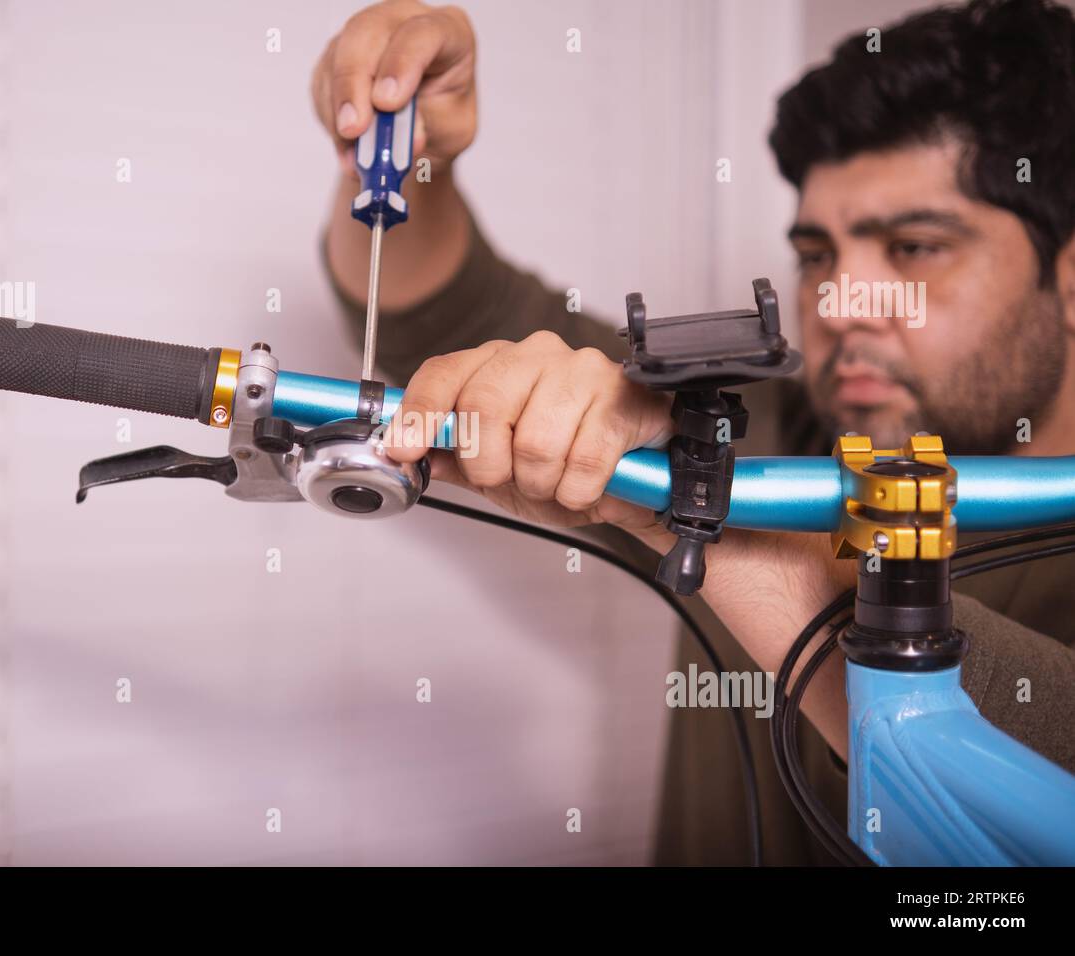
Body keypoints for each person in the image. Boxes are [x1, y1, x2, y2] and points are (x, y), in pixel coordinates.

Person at [312, 0, 1075, 864]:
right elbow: (443, 313)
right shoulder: (771, 426)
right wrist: (414, 157)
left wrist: (706, 516)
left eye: (915, 247)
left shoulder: (723, 450)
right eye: (817, 256)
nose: (837, 306)